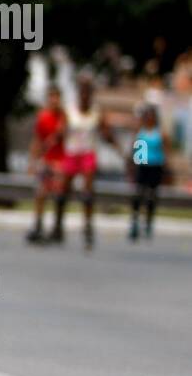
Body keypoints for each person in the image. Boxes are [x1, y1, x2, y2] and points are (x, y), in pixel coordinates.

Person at [59, 74, 117, 250]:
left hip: (87, 154)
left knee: (88, 193)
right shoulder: (69, 111)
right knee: (64, 190)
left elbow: (107, 135)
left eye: (87, 92)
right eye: (82, 91)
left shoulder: (97, 113)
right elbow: (60, 133)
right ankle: (57, 224)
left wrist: (121, 150)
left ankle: (88, 227)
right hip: (71, 153)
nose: (85, 95)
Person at [26, 85, 66, 244]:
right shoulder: (43, 117)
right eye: (51, 97)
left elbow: (66, 135)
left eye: (57, 97)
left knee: (58, 194)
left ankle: (57, 226)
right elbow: (37, 139)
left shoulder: (64, 116)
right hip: (47, 159)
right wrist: (32, 161)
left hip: (60, 159)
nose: (54, 100)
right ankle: (38, 224)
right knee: (41, 192)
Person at [129, 104, 168, 242]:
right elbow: (135, 148)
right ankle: (135, 220)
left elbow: (165, 150)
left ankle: (148, 222)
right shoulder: (141, 131)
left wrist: (165, 168)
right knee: (138, 193)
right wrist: (133, 165)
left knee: (152, 195)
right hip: (142, 165)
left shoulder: (159, 133)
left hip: (155, 165)